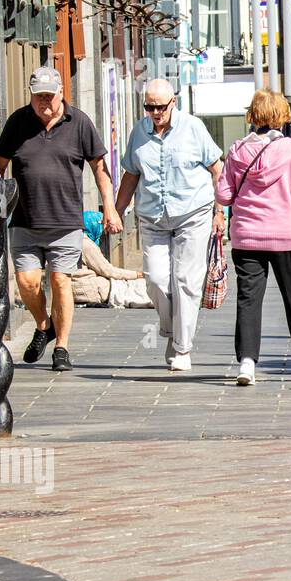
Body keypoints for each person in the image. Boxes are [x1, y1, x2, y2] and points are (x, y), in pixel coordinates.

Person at [0, 66, 122, 373]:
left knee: (61, 280)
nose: (44, 102)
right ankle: (43, 324)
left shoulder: (79, 123)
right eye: (38, 97)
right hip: (25, 220)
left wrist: (110, 207)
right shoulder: (18, 122)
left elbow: (99, 168)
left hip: (65, 221)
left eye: (49, 95)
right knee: (26, 281)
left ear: (62, 92)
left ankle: (61, 346)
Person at [113, 78, 225, 373]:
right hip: (153, 217)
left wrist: (219, 211)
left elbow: (218, 169)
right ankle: (172, 329)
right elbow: (130, 175)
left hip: (192, 213)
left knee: (186, 280)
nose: (155, 112)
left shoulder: (193, 128)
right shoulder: (139, 131)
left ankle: (182, 347)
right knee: (156, 279)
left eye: (160, 107)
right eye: (149, 107)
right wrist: (116, 212)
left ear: (172, 102)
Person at [216, 89, 291, 386]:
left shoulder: (237, 149)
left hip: (246, 236)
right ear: (281, 116)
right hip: (284, 235)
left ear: (253, 115)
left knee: (249, 299)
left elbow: (224, 195)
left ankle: (247, 363)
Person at [70, 236, 153, 309]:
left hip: (86, 290)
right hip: (102, 290)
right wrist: (138, 275)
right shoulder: (84, 244)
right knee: (145, 288)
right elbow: (109, 271)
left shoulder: (64, 241)